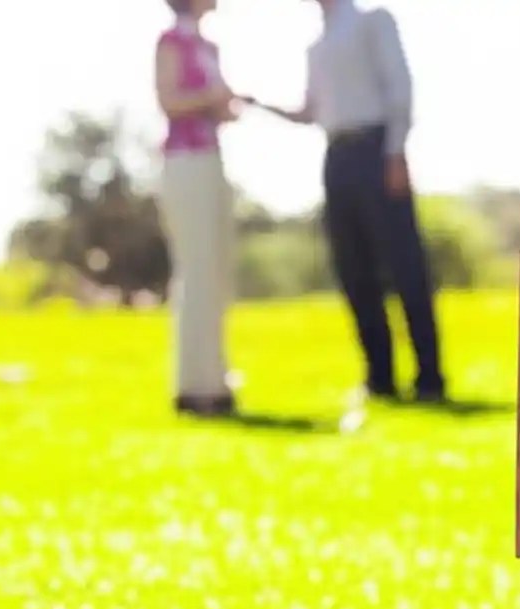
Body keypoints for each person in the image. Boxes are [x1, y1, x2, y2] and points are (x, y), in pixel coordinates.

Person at [257, 0, 446, 403]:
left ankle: (430, 377)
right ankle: (380, 378)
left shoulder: (372, 21)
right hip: (336, 156)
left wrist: (395, 151)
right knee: (354, 269)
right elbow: (309, 111)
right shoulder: (316, 46)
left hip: (376, 149)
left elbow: (399, 87)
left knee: (404, 265)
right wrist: (259, 103)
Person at [153, 0, 245, 416]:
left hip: (210, 158)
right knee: (196, 269)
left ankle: (215, 378)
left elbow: (216, 110)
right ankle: (193, 386)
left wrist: (226, 106)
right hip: (184, 161)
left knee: (216, 272)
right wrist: (212, 97)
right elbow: (169, 101)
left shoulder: (209, 47)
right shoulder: (171, 42)